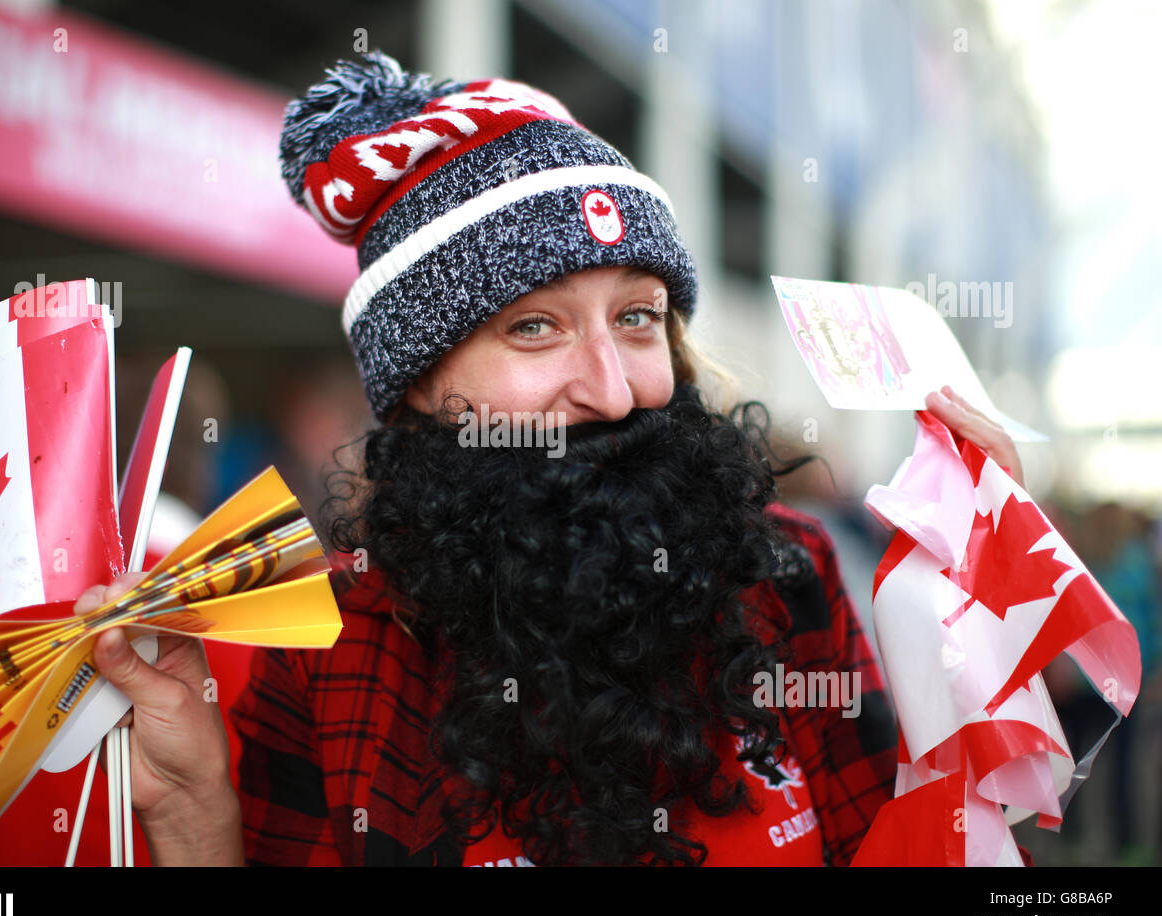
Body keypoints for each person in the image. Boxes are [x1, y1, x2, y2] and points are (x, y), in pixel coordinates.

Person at [74, 52, 1029, 866]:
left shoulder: (787, 576)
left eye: (637, 318)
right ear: (419, 386)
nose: (611, 392)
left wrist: (980, 650)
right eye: (535, 329)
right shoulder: (327, 647)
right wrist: (199, 821)